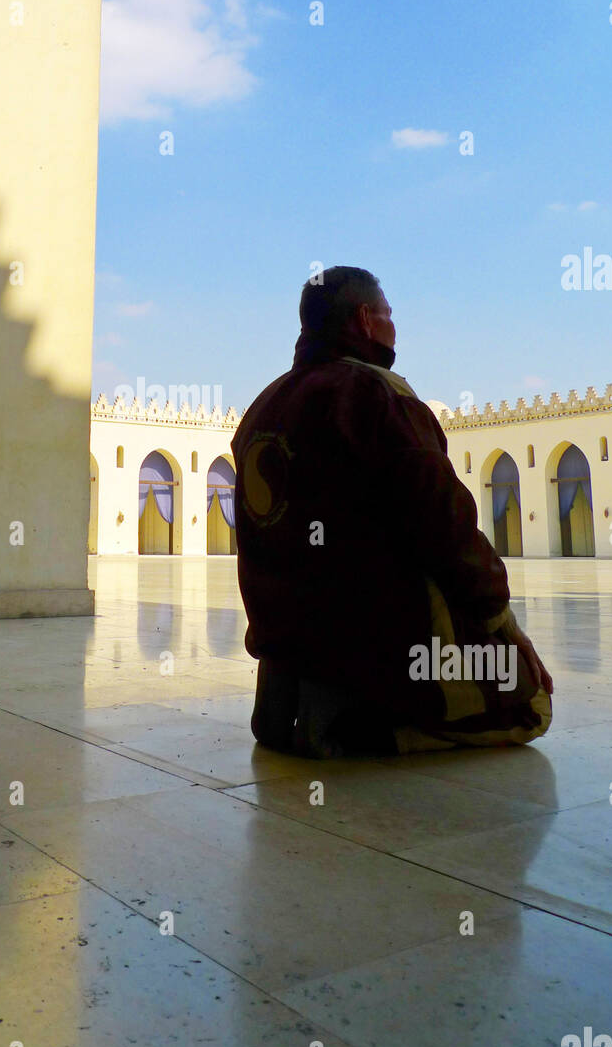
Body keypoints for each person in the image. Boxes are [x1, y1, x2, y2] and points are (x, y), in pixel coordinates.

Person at [231, 266, 553, 759]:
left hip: (285, 659)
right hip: (373, 654)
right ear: (365, 319)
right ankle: (365, 728)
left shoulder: (261, 408)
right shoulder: (378, 395)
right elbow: (446, 526)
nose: (393, 326)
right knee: (532, 705)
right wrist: (500, 620)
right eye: (388, 314)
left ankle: (302, 713)